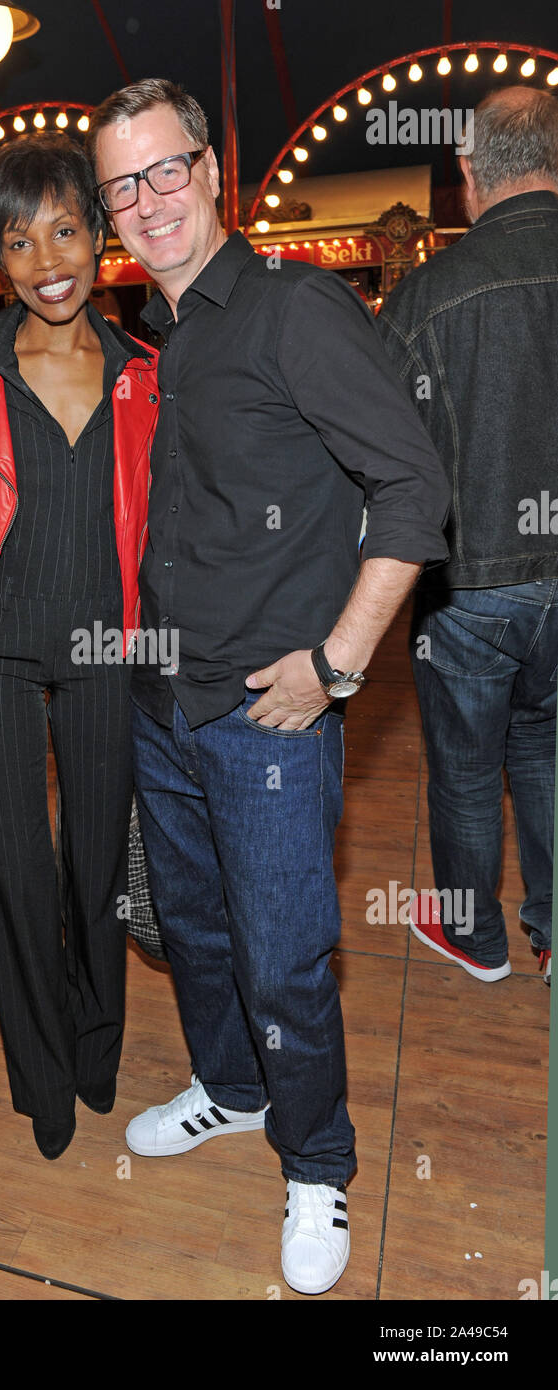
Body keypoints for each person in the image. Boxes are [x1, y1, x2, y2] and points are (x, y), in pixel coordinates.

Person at [89, 78, 451, 1295]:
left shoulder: (294, 306)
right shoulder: (166, 328)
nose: (146, 202)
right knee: (193, 931)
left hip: (267, 715)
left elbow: (413, 489)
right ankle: (232, 1089)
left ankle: (317, 1163)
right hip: (165, 701)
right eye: (119, 186)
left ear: (211, 168)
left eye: (164, 170)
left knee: (285, 953)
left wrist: (338, 662)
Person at [0, 133, 158, 1161]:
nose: (47, 258)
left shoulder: (148, 372)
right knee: (17, 863)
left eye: (65, 230)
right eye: (20, 240)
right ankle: (43, 1077)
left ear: (100, 237)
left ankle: (98, 1048)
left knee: (98, 858)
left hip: (108, 646)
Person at [377, 87, 558, 989]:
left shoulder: (422, 298)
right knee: (546, 746)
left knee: (463, 764)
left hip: (473, 580)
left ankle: (473, 936)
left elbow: (382, 461)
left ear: (465, 174)